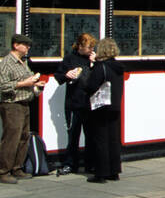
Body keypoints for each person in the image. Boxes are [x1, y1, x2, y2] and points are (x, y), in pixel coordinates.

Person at [0, 32, 44, 184]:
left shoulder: (23, 63)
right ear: (16, 45)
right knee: (11, 139)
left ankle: (17, 168)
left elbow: (26, 81)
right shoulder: (6, 64)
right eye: (25, 45)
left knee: (23, 138)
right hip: (12, 105)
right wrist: (25, 83)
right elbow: (4, 87)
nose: (28, 47)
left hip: (24, 104)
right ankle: (3, 172)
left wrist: (36, 85)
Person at [81, 37, 124, 183]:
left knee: (100, 139)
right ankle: (114, 171)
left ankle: (101, 173)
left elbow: (91, 86)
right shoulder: (118, 67)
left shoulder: (101, 67)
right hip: (115, 106)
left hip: (101, 107)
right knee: (113, 139)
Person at [53, 32, 96, 176]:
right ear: (80, 46)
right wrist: (66, 75)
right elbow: (58, 76)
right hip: (73, 104)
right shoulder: (70, 59)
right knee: (72, 136)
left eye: (92, 47)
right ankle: (70, 164)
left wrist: (94, 63)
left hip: (90, 104)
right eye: (88, 47)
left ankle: (90, 164)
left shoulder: (93, 59)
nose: (91, 50)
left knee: (91, 136)